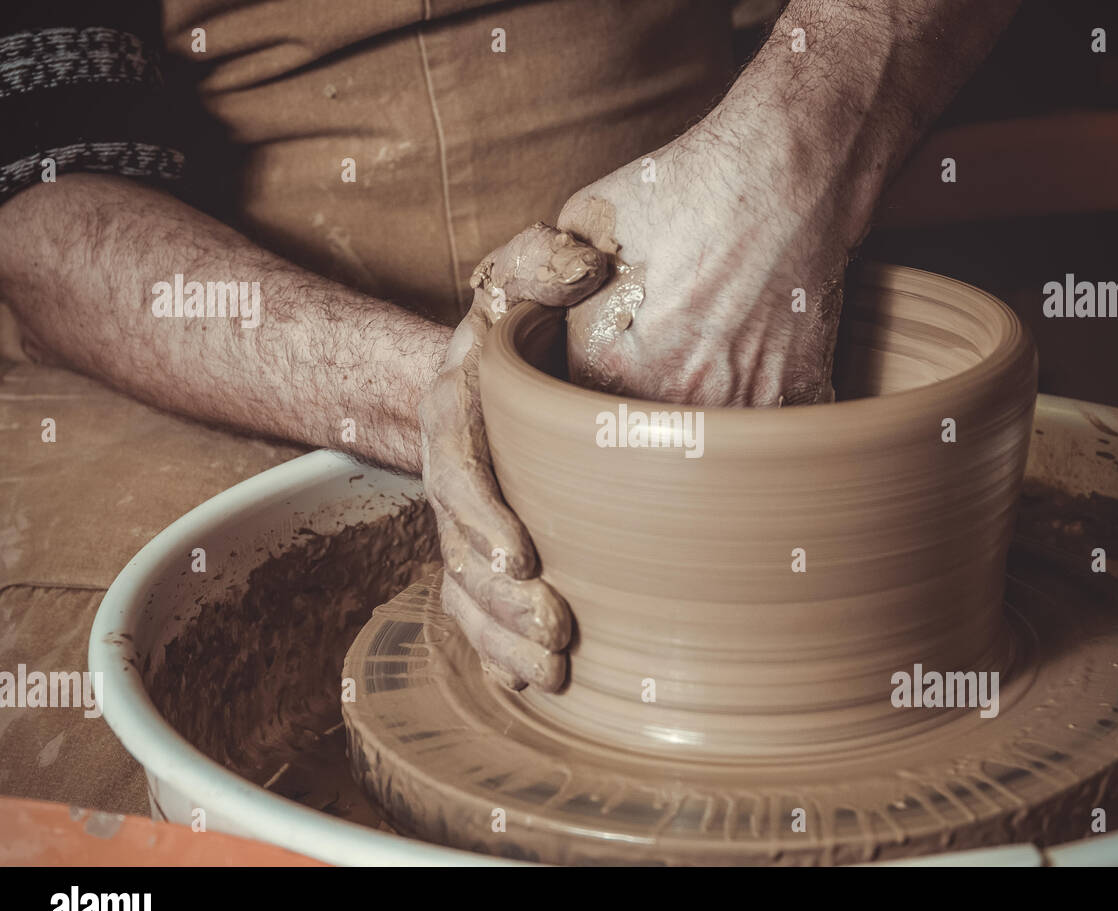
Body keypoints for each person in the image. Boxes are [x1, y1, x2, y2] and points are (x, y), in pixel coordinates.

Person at [0, 0, 1019, 779]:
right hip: (233, 345)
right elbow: (39, 199)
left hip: (718, 258)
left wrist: (794, 147)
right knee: (190, 694)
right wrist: (453, 396)